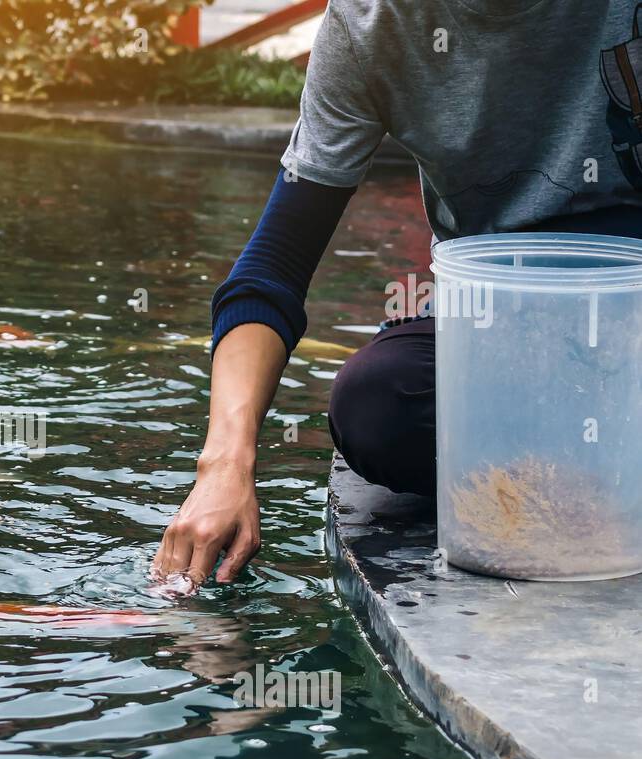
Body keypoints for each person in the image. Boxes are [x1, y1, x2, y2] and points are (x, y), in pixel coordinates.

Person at [153, 0, 642, 587]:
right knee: (378, 406)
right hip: (497, 330)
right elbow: (274, 267)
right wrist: (224, 464)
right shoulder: (371, 24)